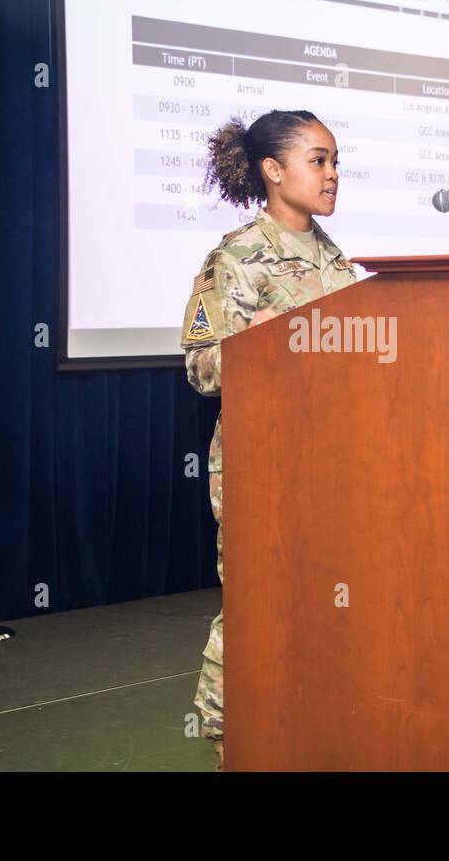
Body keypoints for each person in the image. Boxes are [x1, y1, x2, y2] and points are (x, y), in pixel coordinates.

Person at [180, 110, 357, 771]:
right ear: (273, 170)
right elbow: (202, 368)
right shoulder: (235, 257)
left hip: (339, 462)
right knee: (258, 604)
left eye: (336, 160)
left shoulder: (339, 261)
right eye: (319, 160)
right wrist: (289, 350)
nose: (333, 174)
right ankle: (232, 738)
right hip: (263, 467)